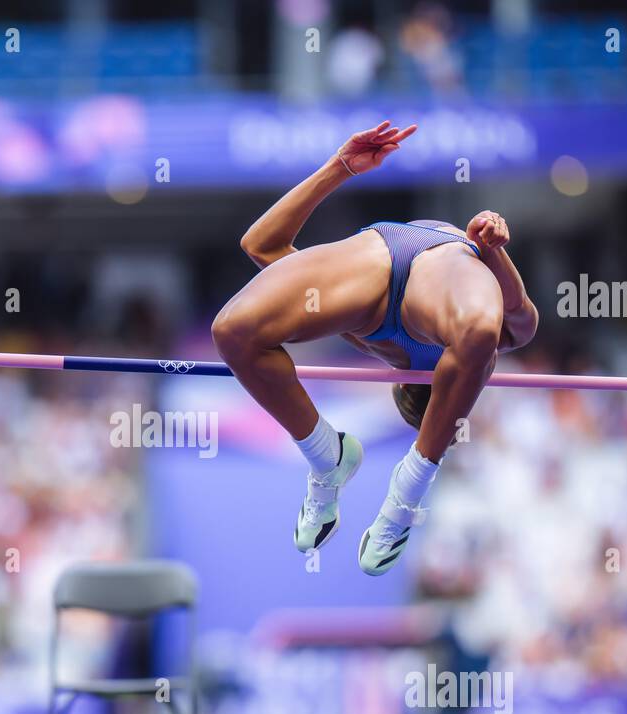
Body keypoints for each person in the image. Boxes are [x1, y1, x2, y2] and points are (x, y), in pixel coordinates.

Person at [211, 121, 538, 575]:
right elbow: (522, 315)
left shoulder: (365, 339)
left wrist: (340, 166)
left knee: (233, 331)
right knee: (492, 332)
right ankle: (406, 495)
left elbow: (262, 246)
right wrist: (491, 251)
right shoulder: (455, 338)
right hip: (441, 264)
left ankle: (329, 457)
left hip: (376, 267)